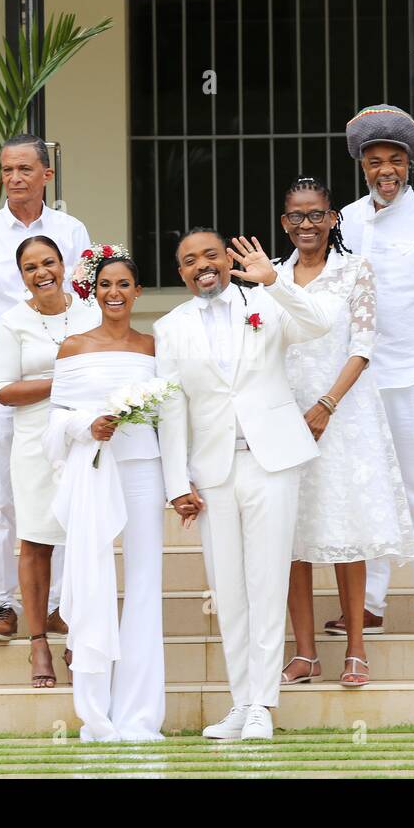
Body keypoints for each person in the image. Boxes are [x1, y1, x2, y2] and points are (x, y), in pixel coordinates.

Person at [155, 229, 331, 741]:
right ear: (181, 271)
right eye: (189, 260)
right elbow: (171, 407)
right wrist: (175, 481)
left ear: (228, 258)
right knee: (228, 590)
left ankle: (262, 705)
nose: (202, 266)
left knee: (267, 583)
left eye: (211, 254)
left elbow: (319, 324)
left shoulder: (265, 302)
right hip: (212, 473)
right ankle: (239, 701)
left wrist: (276, 281)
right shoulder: (170, 327)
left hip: (270, 461)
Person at [322, 105, 414, 640]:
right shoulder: (346, 221)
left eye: (396, 160)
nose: (386, 170)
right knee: (367, 491)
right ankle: (371, 606)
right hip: (355, 380)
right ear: (362, 165)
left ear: (410, 165)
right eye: (375, 160)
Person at [276, 176, 414, 689]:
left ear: (333, 218)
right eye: (296, 215)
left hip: (342, 414)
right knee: (292, 534)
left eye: (315, 214)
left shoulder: (354, 269)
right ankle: (306, 654)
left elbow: (362, 345)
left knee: (345, 529)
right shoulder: (273, 275)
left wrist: (326, 405)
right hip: (286, 416)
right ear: (284, 222)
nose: (306, 224)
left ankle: (355, 648)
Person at [0, 134, 89, 643]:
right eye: (7, 170)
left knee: (60, 488)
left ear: (46, 175)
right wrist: (13, 359)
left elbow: (84, 299)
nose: (14, 178)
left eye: (24, 169)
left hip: (62, 377)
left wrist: (62, 357)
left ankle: (56, 604)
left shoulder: (71, 230)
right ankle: (3, 604)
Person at [43, 247, 166, 740]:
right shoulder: (73, 347)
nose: (114, 293)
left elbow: (171, 415)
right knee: (93, 580)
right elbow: (55, 419)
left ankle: (139, 714)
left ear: (138, 292)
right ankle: (95, 712)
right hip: (93, 469)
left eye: (124, 285)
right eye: (105, 285)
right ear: (93, 292)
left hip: (141, 469)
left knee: (143, 584)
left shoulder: (152, 348)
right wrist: (84, 425)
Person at [0, 235, 101, 686]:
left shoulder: (90, 311)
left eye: (49, 262)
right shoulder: (13, 322)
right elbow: (5, 390)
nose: (42, 273)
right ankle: (39, 645)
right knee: (36, 540)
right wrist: (62, 382)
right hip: (36, 441)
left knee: (84, 540)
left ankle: (80, 634)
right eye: (31, 267)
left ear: (63, 265)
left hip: (85, 438)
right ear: (22, 276)